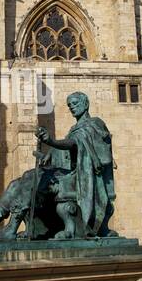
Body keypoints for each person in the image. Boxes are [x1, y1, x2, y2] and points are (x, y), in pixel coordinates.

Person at [37, 91, 115, 238]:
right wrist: (50, 153)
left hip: (90, 174)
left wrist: (51, 142)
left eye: (75, 103)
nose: (72, 107)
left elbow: (74, 143)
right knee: (41, 179)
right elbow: (70, 144)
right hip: (76, 171)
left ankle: (73, 227)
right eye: (69, 105)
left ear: (86, 104)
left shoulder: (95, 123)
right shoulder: (74, 129)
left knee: (57, 185)